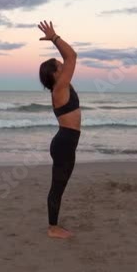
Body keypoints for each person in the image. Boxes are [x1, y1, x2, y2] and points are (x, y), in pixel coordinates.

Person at [37, 20, 81, 239]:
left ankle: (53, 224)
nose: (64, 66)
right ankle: (53, 228)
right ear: (54, 74)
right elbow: (72, 56)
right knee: (58, 185)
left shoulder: (62, 85)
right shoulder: (59, 88)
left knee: (60, 184)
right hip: (64, 143)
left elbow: (68, 59)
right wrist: (54, 37)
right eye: (59, 65)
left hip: (66, 142)